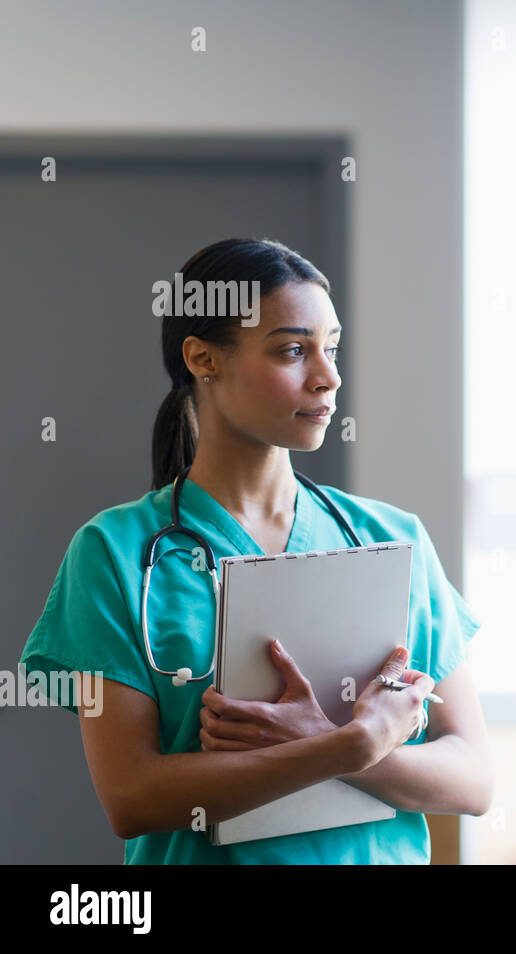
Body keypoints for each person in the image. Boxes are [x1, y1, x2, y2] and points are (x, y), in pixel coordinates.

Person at [18, 237, 491, 864]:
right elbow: (132, 797)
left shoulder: (391, 539)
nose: (328, 376)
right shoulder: (113, 553)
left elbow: (473, 779)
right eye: (293, 350)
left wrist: (332, 740)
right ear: (202, 358)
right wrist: (347, 747)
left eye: (332, 348)